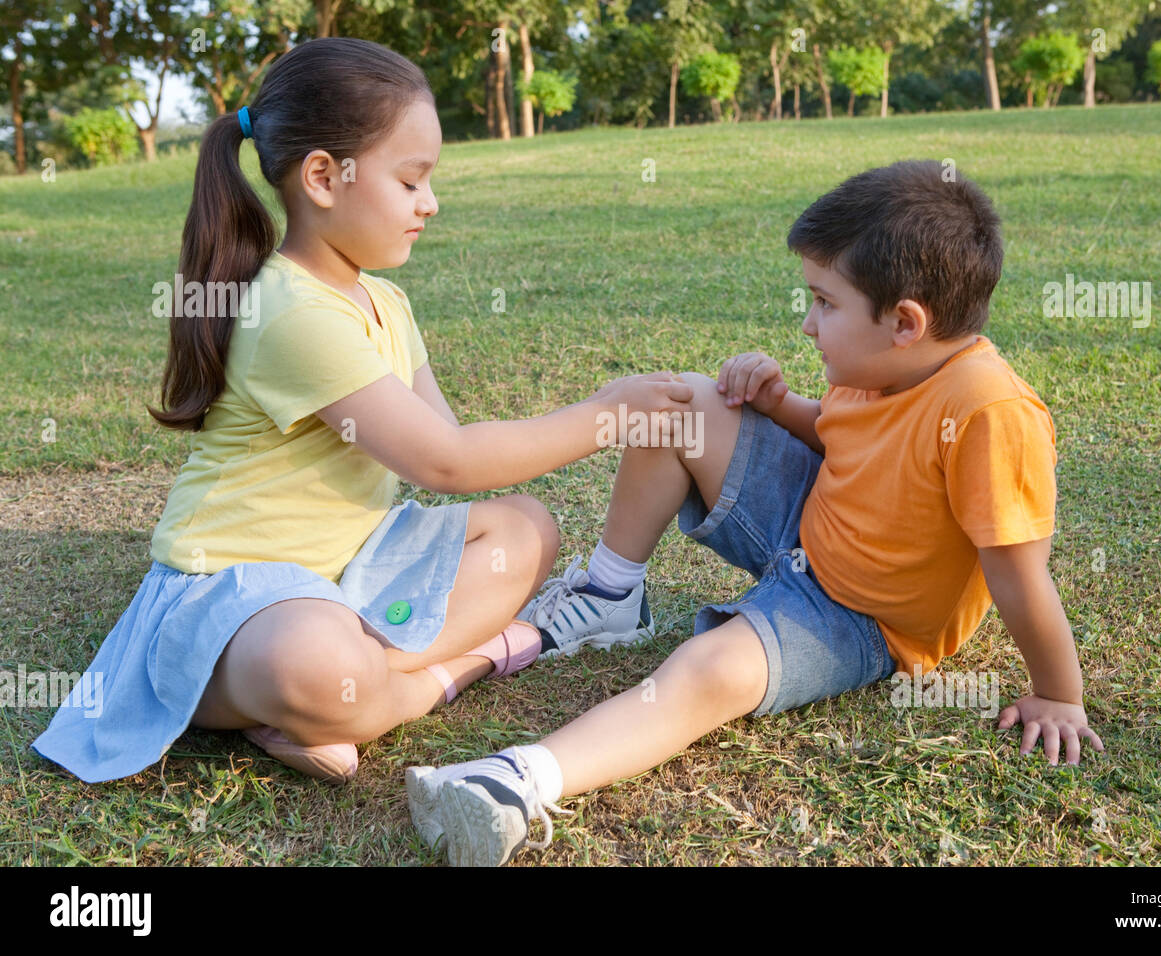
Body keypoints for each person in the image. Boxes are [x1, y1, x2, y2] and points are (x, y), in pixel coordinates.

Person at [406, 159, 1106, 866]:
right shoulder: (882, 367)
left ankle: (517, 782)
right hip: (807, 523)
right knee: (676, 405)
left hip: (859, 618)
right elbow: (835, 435)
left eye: (825, 303)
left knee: (711, 671)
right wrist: (777, 404)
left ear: (905, 322)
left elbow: (1020, 577)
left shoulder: (988, 413)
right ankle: (611, 594)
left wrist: (1058, 694)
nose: (808, 324)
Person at [31, 37, 691, 785]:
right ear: (323, 177)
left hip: (352, 565)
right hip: (238, 589)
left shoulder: (384, 300)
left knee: (526, 530)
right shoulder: (290, 311)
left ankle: (351, 699)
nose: (430, 202)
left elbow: (448, 442)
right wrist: (605, 414)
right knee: (315, 661)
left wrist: (603, 410)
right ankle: (433, 676)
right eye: (411, 180)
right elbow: (445, 465)